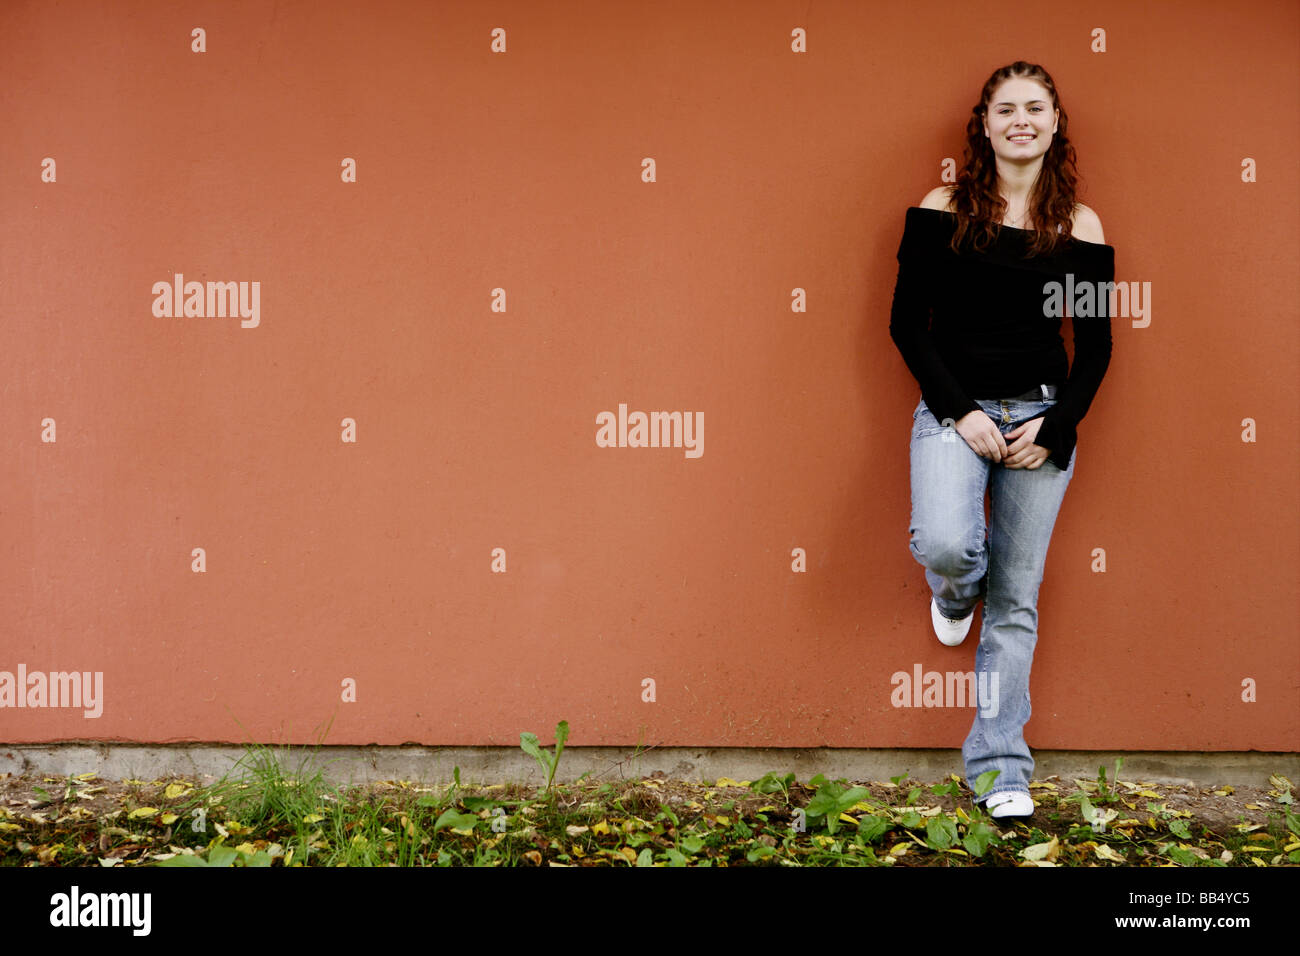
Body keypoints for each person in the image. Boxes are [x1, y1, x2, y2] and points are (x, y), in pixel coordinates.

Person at [888, 61, 1116, 821]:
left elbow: (1097, 345)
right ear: (984, 124)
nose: (1022, 120)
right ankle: (954, 596)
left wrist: (1056, 429)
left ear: (1055, 123)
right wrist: (962, 412)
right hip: (957, 412)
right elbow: (905, 327)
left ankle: (999, 771)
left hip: (1043, 415)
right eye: (1006, 108)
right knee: (949, 545)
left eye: (1036, 108)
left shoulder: (1077, 226)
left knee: (1017, 603)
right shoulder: (943, 208)